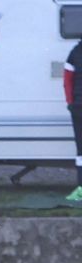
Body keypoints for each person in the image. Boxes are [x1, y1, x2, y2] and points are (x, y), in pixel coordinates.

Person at [65, 39, 82, 201]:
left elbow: (67, 80)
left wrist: (70, 103)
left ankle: (81, 189)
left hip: (78, 106)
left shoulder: (76, 51)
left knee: (81, 151)